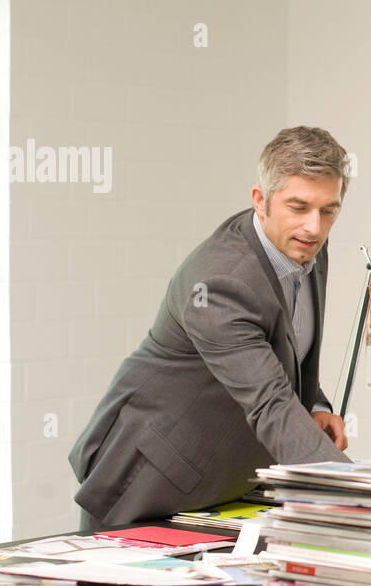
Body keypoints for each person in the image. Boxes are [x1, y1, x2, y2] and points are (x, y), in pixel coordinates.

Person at [69, 126, 351, 530]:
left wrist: (316, 406)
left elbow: (282, 346)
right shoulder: (222, 282)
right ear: (260, 200)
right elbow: (269, 401)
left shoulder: (301, 245)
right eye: (299, 206)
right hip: (148, 480)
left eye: (329, 210)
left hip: (225, 483)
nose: (314, 227)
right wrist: (367, 497)